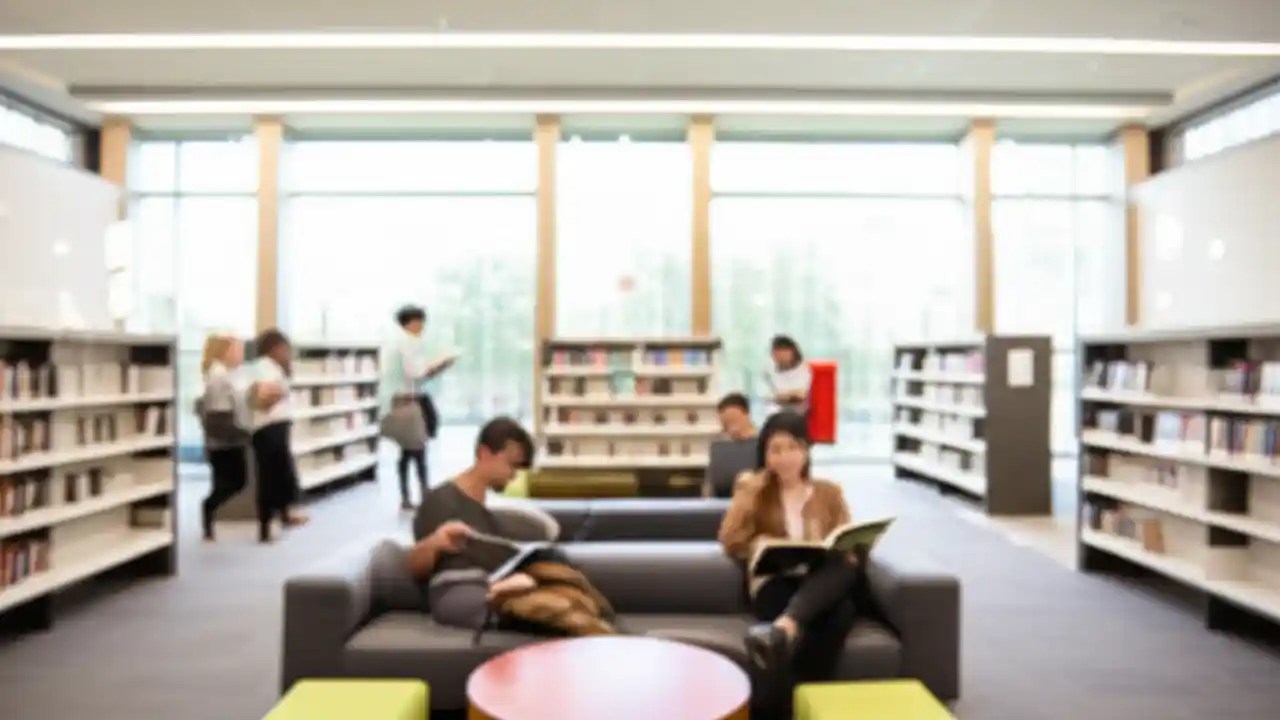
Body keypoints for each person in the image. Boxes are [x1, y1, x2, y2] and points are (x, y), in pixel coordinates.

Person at [717, 411, 865, 695]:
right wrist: (752, 501)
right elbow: (730, 539)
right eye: (776, 450)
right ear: (765, 454)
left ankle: (787, 627)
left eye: (793, 448)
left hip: (818, 580)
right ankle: (807, 701)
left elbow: (845, 541)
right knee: (839, 612)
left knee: (841, 574)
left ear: (807, 451)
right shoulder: (756, 490)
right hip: (775, 583)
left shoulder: (829, 493)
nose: (785, 457)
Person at [406, 417, 538, 630]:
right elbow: (415, 567)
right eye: (511, 465)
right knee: (537, 612)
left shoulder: (486, 515)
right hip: (457, 593)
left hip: (487, 586)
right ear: (484, 453)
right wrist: (435, 542)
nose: (513, 475)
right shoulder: (440, 499)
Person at [379, 305, 457, 510]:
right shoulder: (408, 342)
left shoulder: (393, 342)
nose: (422, 326)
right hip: (408, 402)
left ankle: (408, 495)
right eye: (420, 321)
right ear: (412, 322)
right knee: (418, 449)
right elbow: (416, 373)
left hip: (397, 402)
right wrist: (440, 365)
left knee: (407, 451)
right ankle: (424, 494)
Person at [248, 328, 307, 543]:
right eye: (284, 349)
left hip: (278, 426)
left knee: (282, 473)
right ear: (273, 349)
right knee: (268, 478)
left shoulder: (275, 368)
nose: (287, 353)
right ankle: (265, 527)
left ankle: (283, 516)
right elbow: (263, 395)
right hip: (268, 428)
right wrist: (280, 392)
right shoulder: (262, 367)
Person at [197, 334, 250, 541]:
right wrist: (245, 433)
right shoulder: (219, 375)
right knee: (235, 481)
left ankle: (208, 519)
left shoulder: (228, 373)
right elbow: (219, 414)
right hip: (224, 437)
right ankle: (208, 510)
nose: (240, 354)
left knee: (230, 481)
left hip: (227, 436)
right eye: (237, 350)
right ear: (224, 352)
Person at [766, 335, 811, 415]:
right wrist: (787, 395)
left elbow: (801, 395)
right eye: (775, 353)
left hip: (798, 413)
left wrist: (784, 396)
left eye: (782, 351)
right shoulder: (769, 371)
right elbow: (771, 396)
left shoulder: (804, 368)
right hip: (775, 413)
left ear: (792, 352)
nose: (778, 356)